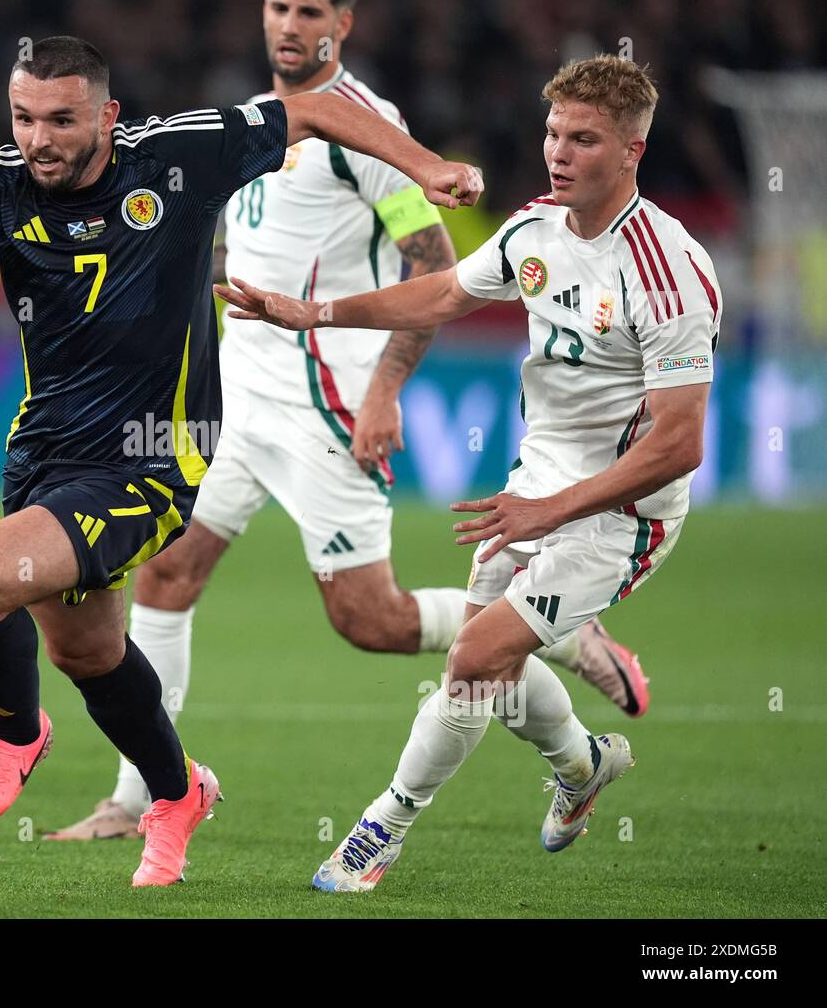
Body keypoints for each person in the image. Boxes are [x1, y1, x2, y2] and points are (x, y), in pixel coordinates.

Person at [0, 35, 483, 886]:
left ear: (107, 116)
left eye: (62, 120)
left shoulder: (179, 154)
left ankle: (12, 735)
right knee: (88, 655)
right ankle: (178, 791)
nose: (38, 138)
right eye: (24, 117)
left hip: (153, 461)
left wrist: (422, 165)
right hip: (44, 455)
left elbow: (316, 110)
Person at [49, 0, 645, 843]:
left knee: (369, 620)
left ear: (344, 22)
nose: (289, 24)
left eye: (308, 11)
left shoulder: (367, 131)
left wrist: (383, 393)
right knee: (166, 573)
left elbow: (433, 264)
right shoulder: (259, 117)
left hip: (324, 409)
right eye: (278, 6)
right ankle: (138, 798)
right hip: (231, 401)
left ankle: (556, 635)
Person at [216, 53, 720, 892]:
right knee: (496, 665)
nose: (559, 152)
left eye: (583, 139)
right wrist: (319, 312)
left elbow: (678, 444)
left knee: (477, 655)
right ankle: (582, 764)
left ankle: (380, 832)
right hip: (535, 489)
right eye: (554, 132)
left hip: (622, 513)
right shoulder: (534, 231)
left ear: (632, 150)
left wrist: (551, 510)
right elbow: (443, 293)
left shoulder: (666, 272)